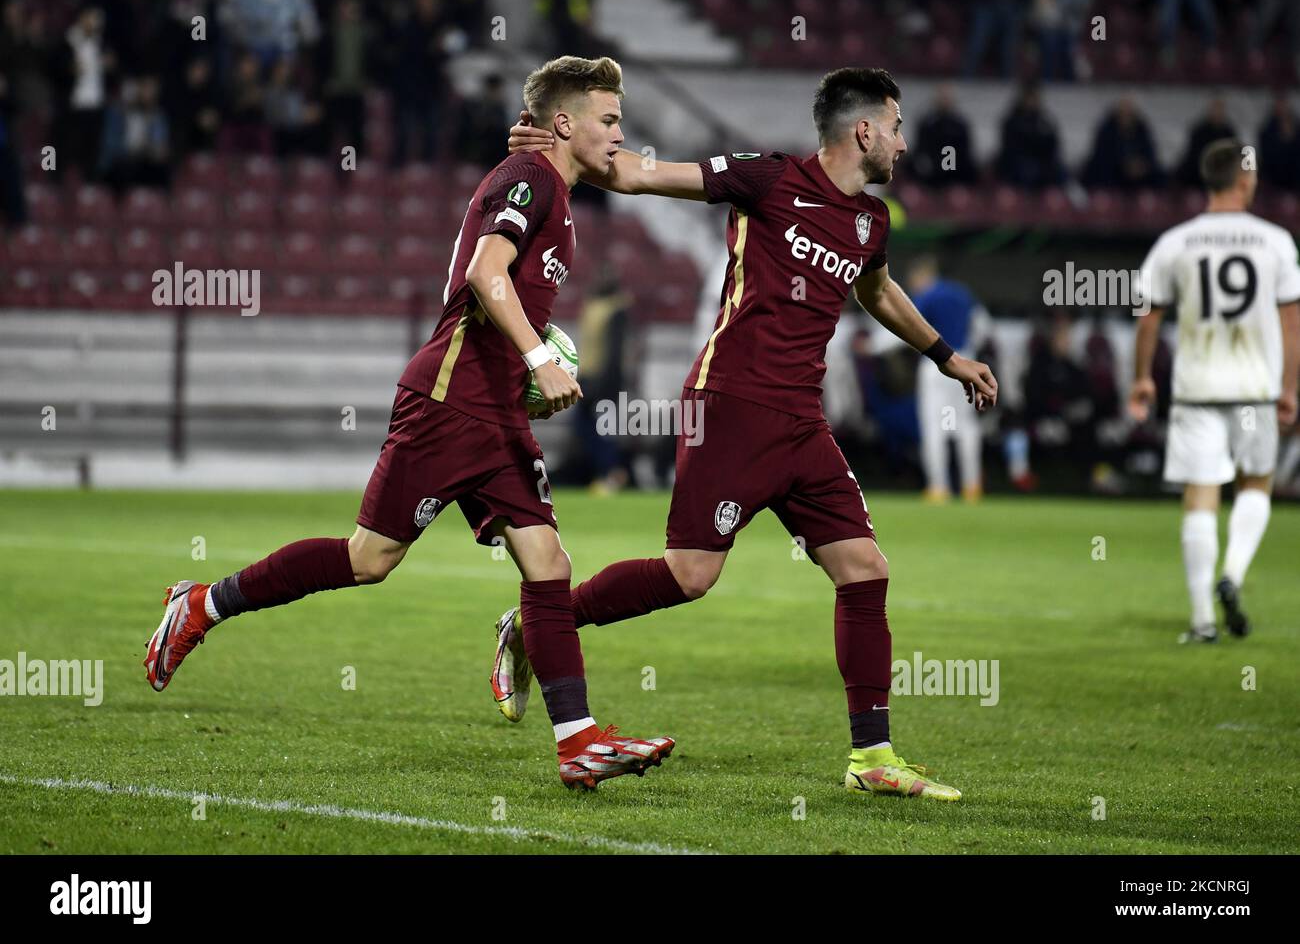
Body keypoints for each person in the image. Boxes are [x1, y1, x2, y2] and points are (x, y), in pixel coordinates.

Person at [143, 55, 674, 792]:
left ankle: (577, 741)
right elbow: (485, 274)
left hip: (496, 413)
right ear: (564, 123)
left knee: (548, 564)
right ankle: (204, 603)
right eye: (609, 120)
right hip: (451, 401)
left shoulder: (551, 182)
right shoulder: (529, 179)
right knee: (369, 559)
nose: (619, 133)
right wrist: (538, 358)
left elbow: (620, 177)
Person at [499, 67, 998, 801]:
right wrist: (553, 150)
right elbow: (638, 174)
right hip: (730, 404)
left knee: (865, 568)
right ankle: (538, 620)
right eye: (895, 127)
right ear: (864, 130)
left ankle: (873, 756)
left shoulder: (872, 222)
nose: (902, 142)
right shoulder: (767, 179)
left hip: (801, 421)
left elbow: (877, 290)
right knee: (690, 576)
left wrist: (947, 357)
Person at [1129, 137, 1300, 643]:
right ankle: (1233, 574)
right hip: (1256, 389)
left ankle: (1203, 621)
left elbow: (1148, 317)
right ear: (1245, 181)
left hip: (1197, 389)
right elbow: (1292, 325)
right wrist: (1290, 387)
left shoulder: (1176, 242)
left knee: (1200, 498)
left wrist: (1142, 378)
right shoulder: (1275, 241)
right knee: (1255, 485)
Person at [907, 255, 987, 502]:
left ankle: (938, 487)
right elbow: (984, 328)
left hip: (936, 365)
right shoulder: (962, 294)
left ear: (922, 276)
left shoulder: (928, 296)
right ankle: (972, 486)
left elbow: (906, 326)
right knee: (966, 425)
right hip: (965, 363)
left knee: (935, 427)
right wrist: (968, 349)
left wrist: (870, 347)